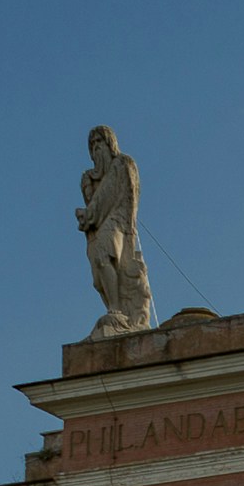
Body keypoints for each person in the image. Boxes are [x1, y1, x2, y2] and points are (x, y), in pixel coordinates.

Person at [76, 125, 152, 336]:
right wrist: (88, 189)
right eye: (92, 146)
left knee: (103, 255)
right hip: (102, 223)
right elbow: (96, 203)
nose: (96, 149)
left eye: (100, 143)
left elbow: (112, 197)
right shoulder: (93, 178)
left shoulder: (122, 163)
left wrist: (89, 212)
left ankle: (117, 310)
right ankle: (115, 308)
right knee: (98, 274)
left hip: (119, 220)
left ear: (110, 145)